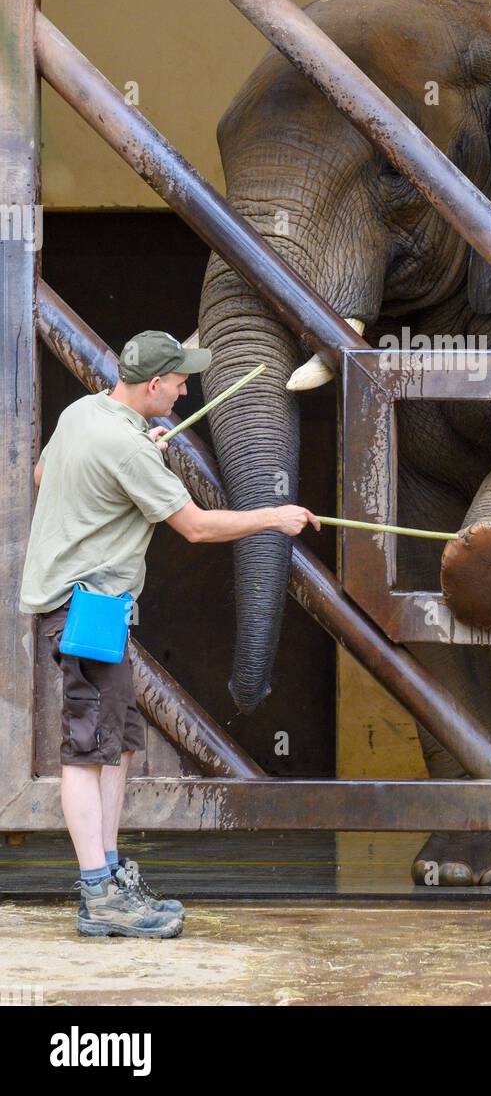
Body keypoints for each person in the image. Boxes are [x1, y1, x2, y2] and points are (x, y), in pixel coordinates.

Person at [18, 329, 320, 939]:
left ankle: (107, 874)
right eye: (179, 380)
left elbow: (45, 475)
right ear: (153, 385)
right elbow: (199, 528)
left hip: (94, 608)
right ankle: (98, 894)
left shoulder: (88, 414)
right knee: (87, 752)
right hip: (85, 611)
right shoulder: (123, 447)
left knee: (119, 743)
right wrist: (274, 516)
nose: (186, 388)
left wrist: (129, 460)